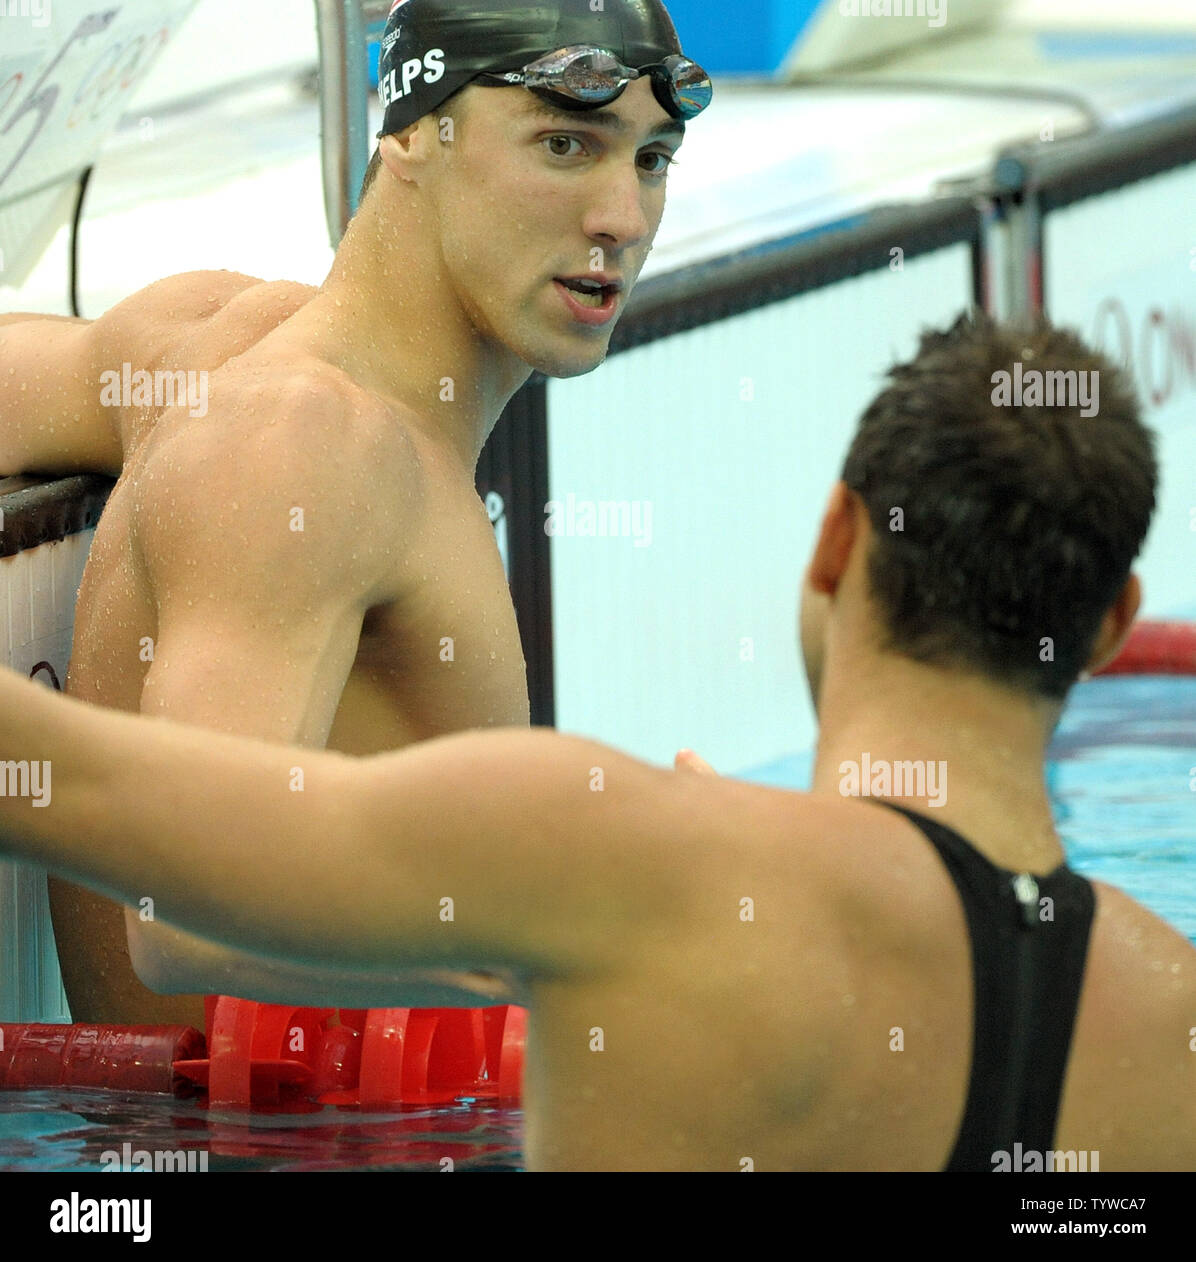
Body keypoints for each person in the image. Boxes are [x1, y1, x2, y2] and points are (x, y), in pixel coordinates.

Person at [2, 311, 1193, 1171]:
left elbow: (97, 808)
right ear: (1107, 629)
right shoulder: (1169, 1012)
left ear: (835, 541)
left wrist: (580, 893)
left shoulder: (621, 854)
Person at [0, 0, 711, 1028]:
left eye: (649, 158)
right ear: (412, 134)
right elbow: (184, 912)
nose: (620, 218)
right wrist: (584, 934)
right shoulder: (304, 444)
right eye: (563, 145)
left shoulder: (211, 340)